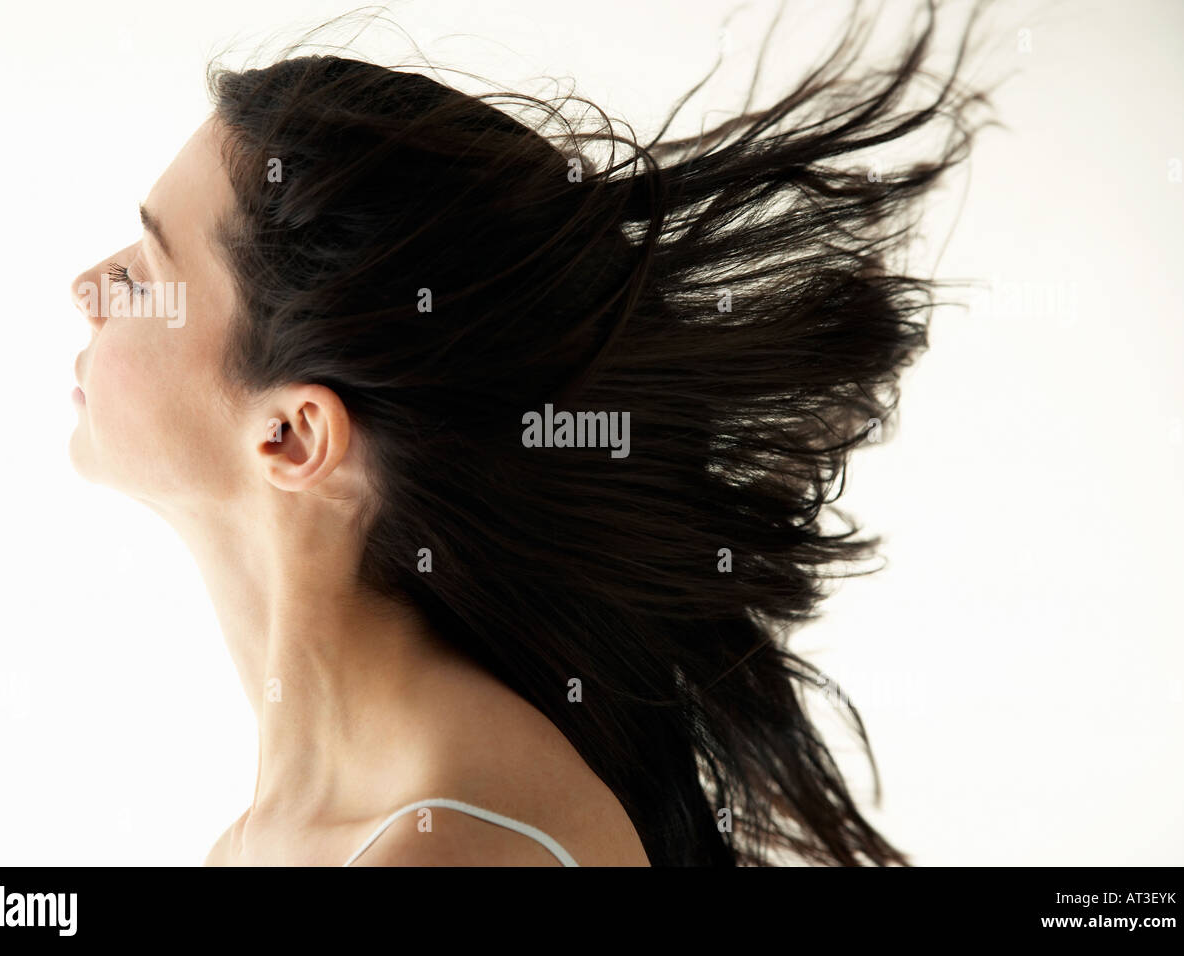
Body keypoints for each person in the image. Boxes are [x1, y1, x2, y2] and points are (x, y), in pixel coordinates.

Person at [68, 0, 994, 866]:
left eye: (146, 276)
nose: (87, 288)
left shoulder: (450, 848)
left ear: (295, 438)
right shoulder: (285, 837)